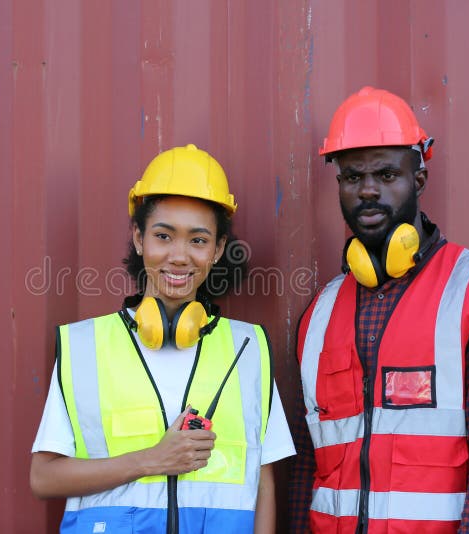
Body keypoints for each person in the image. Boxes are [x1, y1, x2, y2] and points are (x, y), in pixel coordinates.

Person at [288, 87, 469, 533]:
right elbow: (309, 466)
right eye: (351, 177)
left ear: (418, 179)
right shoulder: (317, 316)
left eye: (386, 174)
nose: (367, 190)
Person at [30, 144, 296, 534]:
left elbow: (264, 484)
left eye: (198, 240)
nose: (179, 256)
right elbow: (44, 478)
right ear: (139, 239)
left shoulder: (247, 349)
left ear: (219, 249)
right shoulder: (85, 346)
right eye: (163, 236)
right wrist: (152, 460)